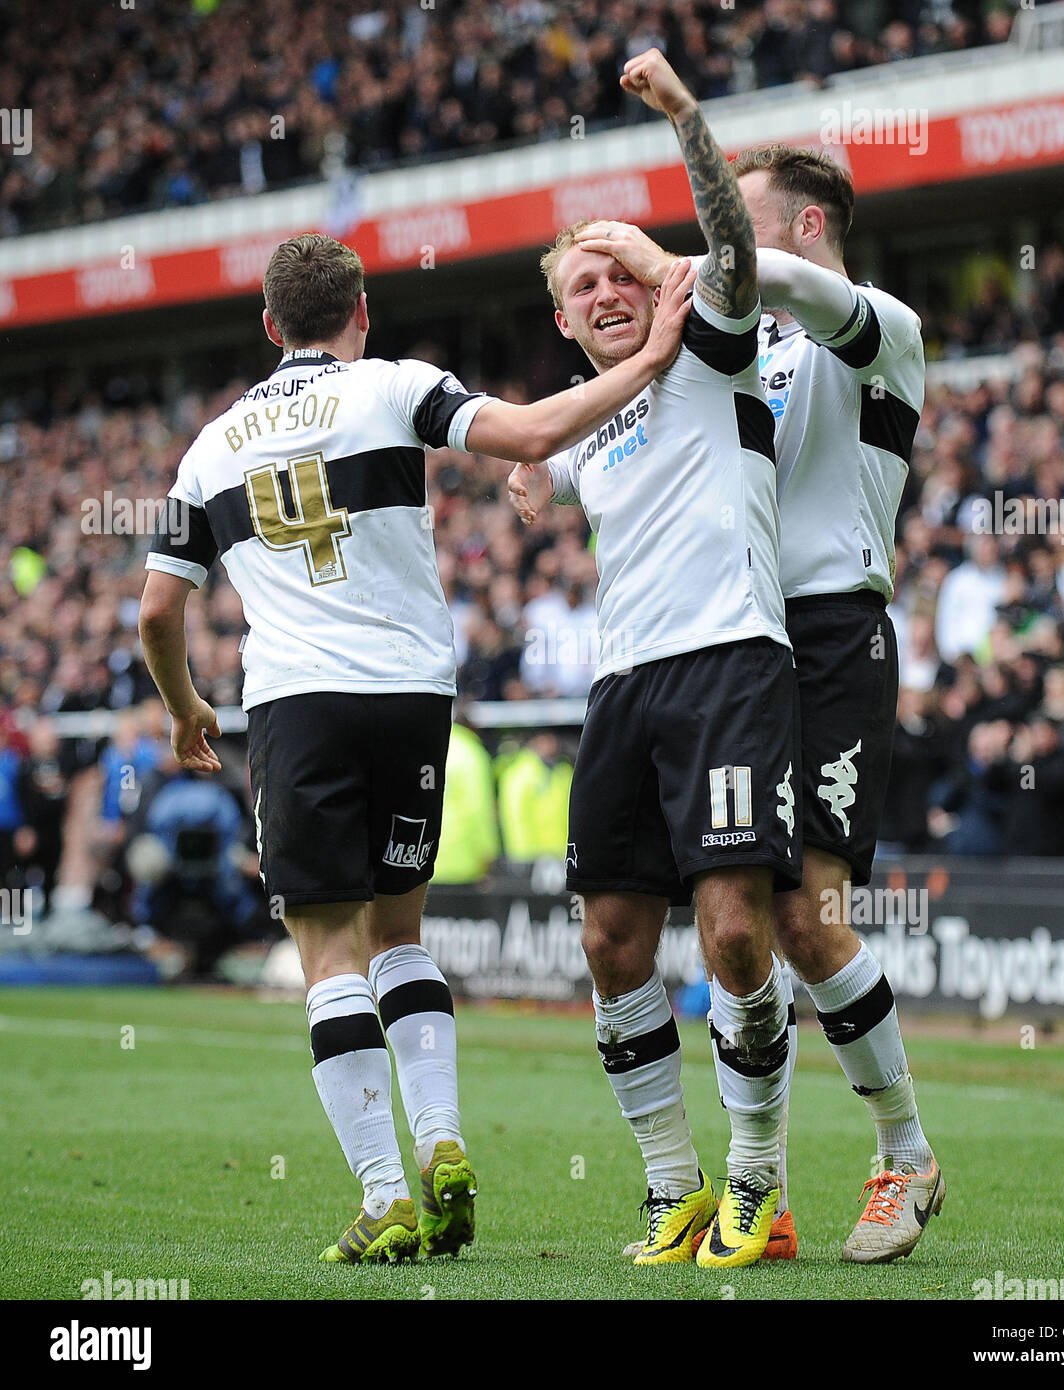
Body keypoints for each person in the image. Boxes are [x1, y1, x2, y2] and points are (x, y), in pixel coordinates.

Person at [139, 231, 694, 1265]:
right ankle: (441, 1139)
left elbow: (160, 610)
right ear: (362, 311)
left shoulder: (211, 446)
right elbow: (532, 431)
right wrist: (650, 358)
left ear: (270, 328)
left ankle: (389, 1192)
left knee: (327, 954)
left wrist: (183, 708)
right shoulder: (396, 385)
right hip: (411, 695)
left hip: (301, 703)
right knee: (401, 936)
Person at [576, 140, 944, 1263]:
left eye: (742, 219)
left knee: (805, 918)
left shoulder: (880, 325)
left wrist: (663, 252)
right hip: (740, 638)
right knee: (733, 923)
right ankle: (758, 1188)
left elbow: (754, 276)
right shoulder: (739, 346)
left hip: (832, 629)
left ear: (810, 227)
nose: (723, 240)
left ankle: (905, 1153)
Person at [509, 50, 800, 1269]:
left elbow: (727, 250)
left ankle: (759, 1182)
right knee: (611, 939)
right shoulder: (599, 410)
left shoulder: (716, 340)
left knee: (735, 932)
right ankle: (672, 1186)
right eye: (584, 285)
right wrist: (529, 469)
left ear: (652, 280)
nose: (607, 292)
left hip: (730, 658)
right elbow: (532, 466)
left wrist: (684, 124)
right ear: (566, 321)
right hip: (624, 688)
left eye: (620, 271)